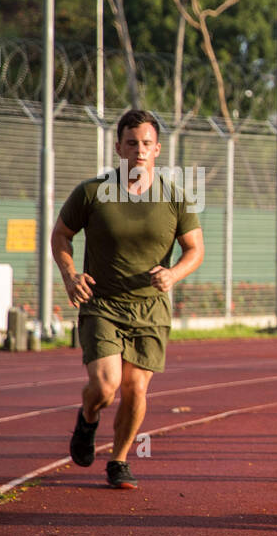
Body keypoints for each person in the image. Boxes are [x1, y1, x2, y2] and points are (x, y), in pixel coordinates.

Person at [53, 109, 204, 489]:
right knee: (105, 385)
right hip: (102, 303)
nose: (139, 150)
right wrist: (70, 276)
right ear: (118, 146)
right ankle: (88, 417)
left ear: (157, 150)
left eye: (147, 143)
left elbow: (195, 250)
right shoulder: (92, 192)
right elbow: (61, 235)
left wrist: (173, 273)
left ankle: (119, 460)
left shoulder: (175, 197)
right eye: (132, 142)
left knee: (136, 389)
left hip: (150, 308)